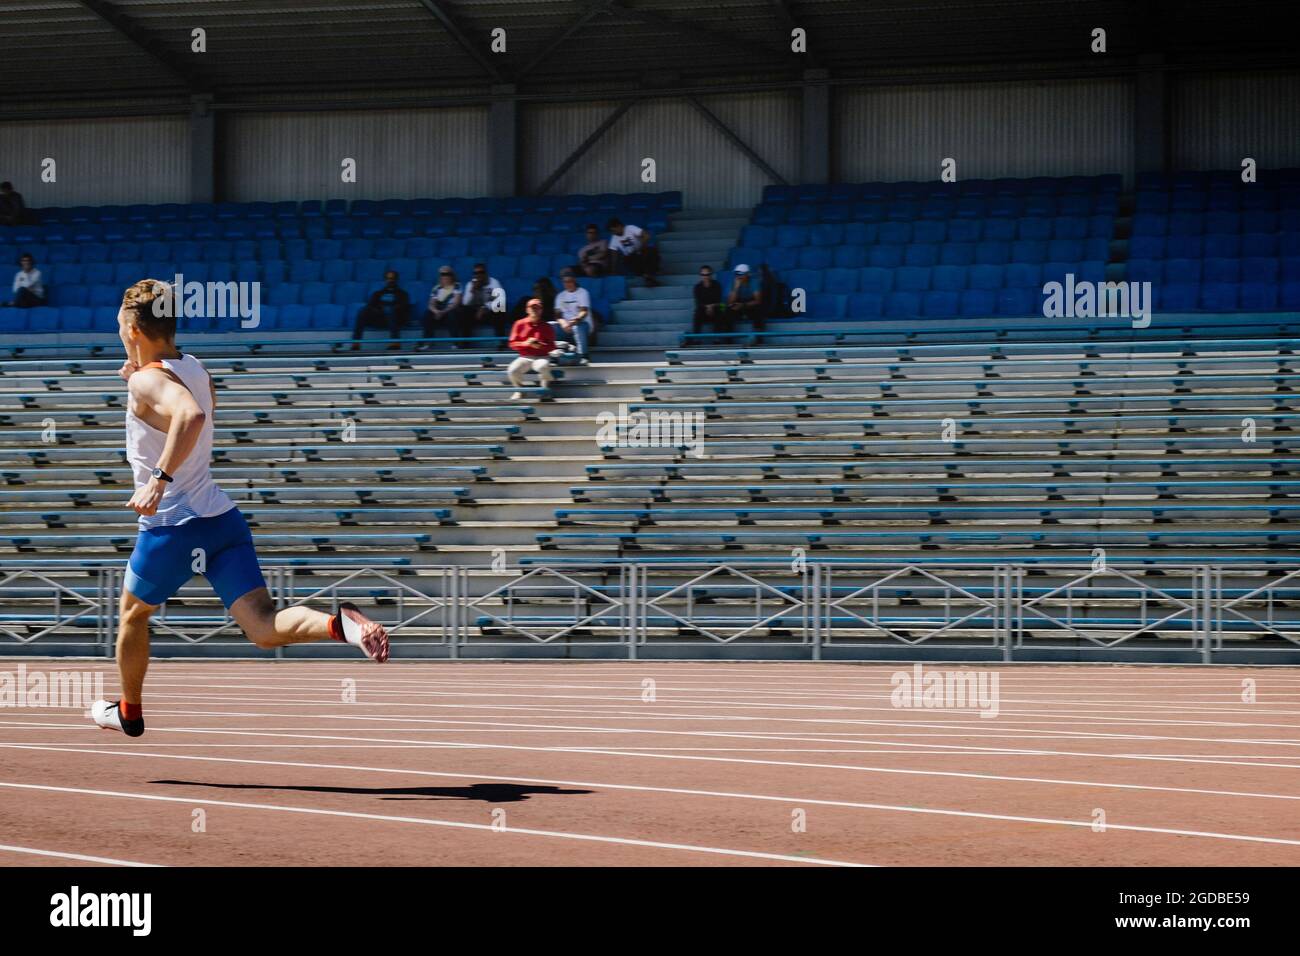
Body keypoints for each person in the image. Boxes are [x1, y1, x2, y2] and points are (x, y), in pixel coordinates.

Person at [90, 279, 389, 737]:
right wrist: (140, 379)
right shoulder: (194, 368)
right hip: (220, 521)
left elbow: (189, 416)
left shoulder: (152, 380)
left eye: (119, 327)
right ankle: (342, 627)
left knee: (133, 615)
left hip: (173, 526)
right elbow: (190, 408)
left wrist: (157, 480)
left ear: (133, 328)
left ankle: (128, 712)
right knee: (264, 627)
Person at [506, 298, 557, 400]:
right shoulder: (519, 324)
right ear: (527, 310)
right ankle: (520, 390)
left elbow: (552, 346)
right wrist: (525, 343)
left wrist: (540, 345)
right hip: (525, 357)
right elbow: (512, 344)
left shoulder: (546, 326)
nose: (535, 310)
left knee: (543, 366)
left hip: (542, 356)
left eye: (537, 308)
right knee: (512, 370)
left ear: (541, 310)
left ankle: (544, 390)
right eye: (532, 308)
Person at [351, 270, 412, 350]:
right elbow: (370, 306)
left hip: (396, 319)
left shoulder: (403, 294)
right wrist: (380, 310)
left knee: (389, 309)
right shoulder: (378, 293)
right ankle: (356, 343)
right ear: (385, 280)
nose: (390, 280)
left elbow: (404, 307)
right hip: (380, 318)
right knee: (362, 310)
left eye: (392, 278)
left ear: (396, 279)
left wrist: (389, 309)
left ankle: (395, 342)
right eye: (388, 278)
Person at [551, 268, 594, 364]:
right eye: (565, 282)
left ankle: (583, 355)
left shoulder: (583, 292)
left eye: (570, 281)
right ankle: (554, 354)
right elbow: (558, 315)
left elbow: (584, 311)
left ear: (574, 280)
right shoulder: (560, 296)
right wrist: (563, 323)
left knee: (579, 327)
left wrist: (576, 320)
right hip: (566, 327)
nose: (567, 284)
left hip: (581, 325)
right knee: (550, 325)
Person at [456, 262, 506, 344]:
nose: (478, 275)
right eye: (475, 273)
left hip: (490, 312)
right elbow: (465, 303)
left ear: (486, 273)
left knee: (500, 310)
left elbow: (501, 300)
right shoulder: (470, 284)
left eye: (481, 272)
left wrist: (485, 307)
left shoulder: (494, 283)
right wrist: (473, 291)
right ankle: (465, 343)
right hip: (475, 312)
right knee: (463, 311)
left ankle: (502, 342)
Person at [607, 217, 660, 286]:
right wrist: (613, 271)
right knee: (627, 260)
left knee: (651, 251)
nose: (613, 233)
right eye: (611, 231)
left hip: (641, 250)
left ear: (619, 226)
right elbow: (614, 256)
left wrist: (639, 248)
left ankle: (648, 277)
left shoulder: (630, 228)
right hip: (631, 257)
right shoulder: (614, 238)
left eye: (614, 230)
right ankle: (648, 277)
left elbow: (646, 236)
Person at [420, 265, 461, 350]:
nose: (445, 276)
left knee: (452, 314)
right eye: (443, 274)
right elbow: (431, 304)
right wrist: (436, 311)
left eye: (447, 274)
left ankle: (455, 343)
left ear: (452, 275)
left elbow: (456, 303)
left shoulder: (457, 286)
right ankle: (427, 342)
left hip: (450, 312)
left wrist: (443, 311)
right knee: (427, 314)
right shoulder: (436, 288)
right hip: (439, 313)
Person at [726, 263, 766, 331]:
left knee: (759, 309)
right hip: (739, 305)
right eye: (736, 274)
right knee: (728, 310)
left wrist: (743, 305)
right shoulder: (734, 282)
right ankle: (728, 338)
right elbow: (729, 302)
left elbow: (758, 300)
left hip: (749, 305)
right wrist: (736, 288)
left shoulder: (754, 281)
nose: (738, 276)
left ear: (747, 274)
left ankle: (757, 336)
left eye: (740, 274)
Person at [692, 264, 726, 335]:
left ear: (711, 275)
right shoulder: (697, 287)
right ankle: (696, 338)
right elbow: (698, 302)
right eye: (703, 274)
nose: (705, 277)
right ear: (700, 275)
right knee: (697, 312)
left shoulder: (717, 285)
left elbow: (719, 301)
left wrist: (711, 306)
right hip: (703, 309)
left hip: (716, 307)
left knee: (723, 308)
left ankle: (718, 338)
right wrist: (707, 307)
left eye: (707, 274)